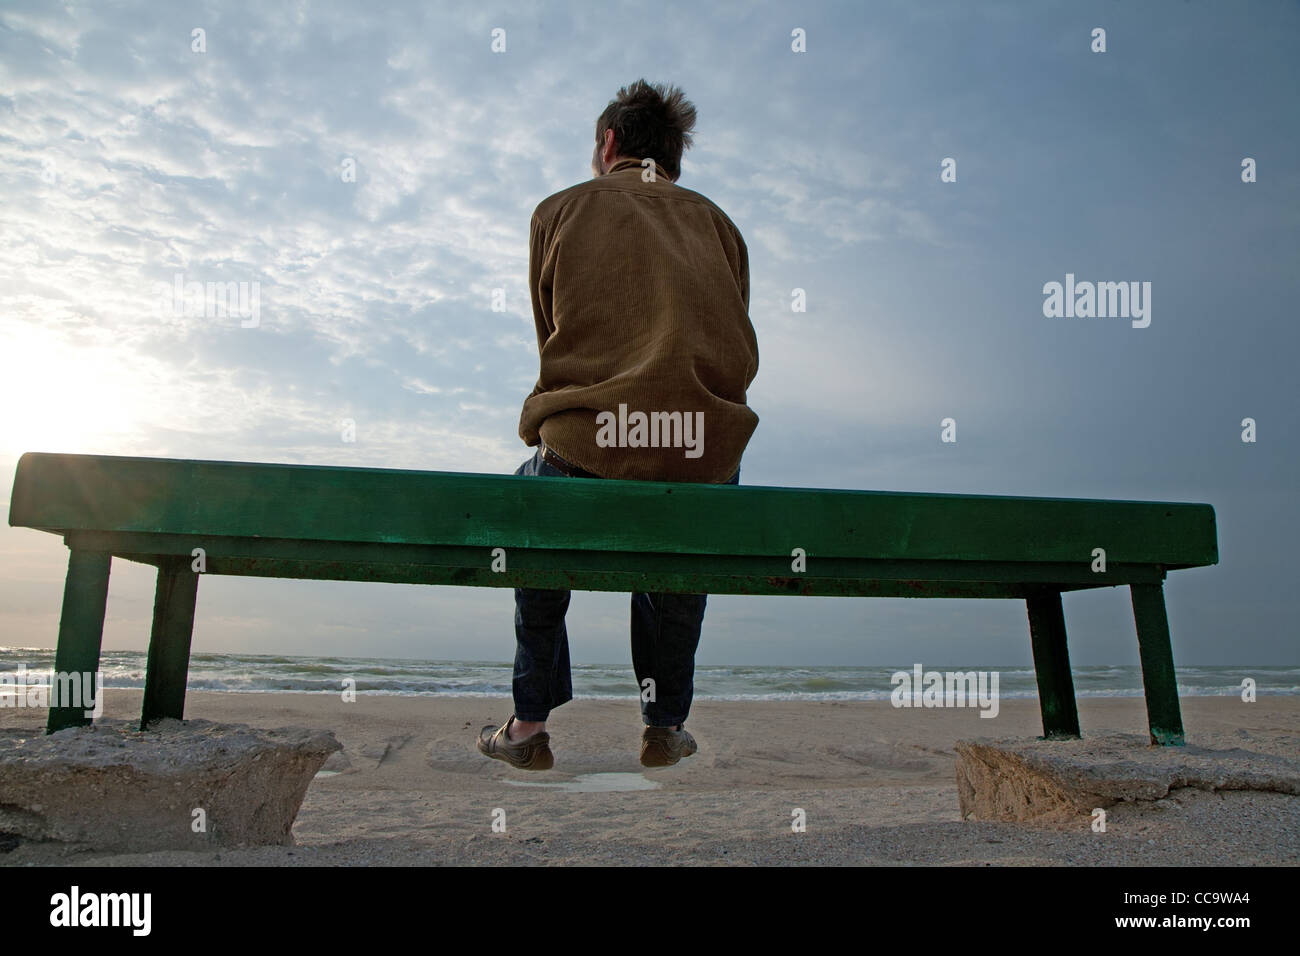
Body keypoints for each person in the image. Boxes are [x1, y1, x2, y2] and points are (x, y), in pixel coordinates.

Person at [478, 79, 759, 771]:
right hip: (701, 450)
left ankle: (528, 722)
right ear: (674, 157)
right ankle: (664, 725)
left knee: (533, 511)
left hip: (589, 445)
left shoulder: (560, 210)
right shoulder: (719, 224)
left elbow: (553, 340)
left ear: (608, 143)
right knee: (678, 539)